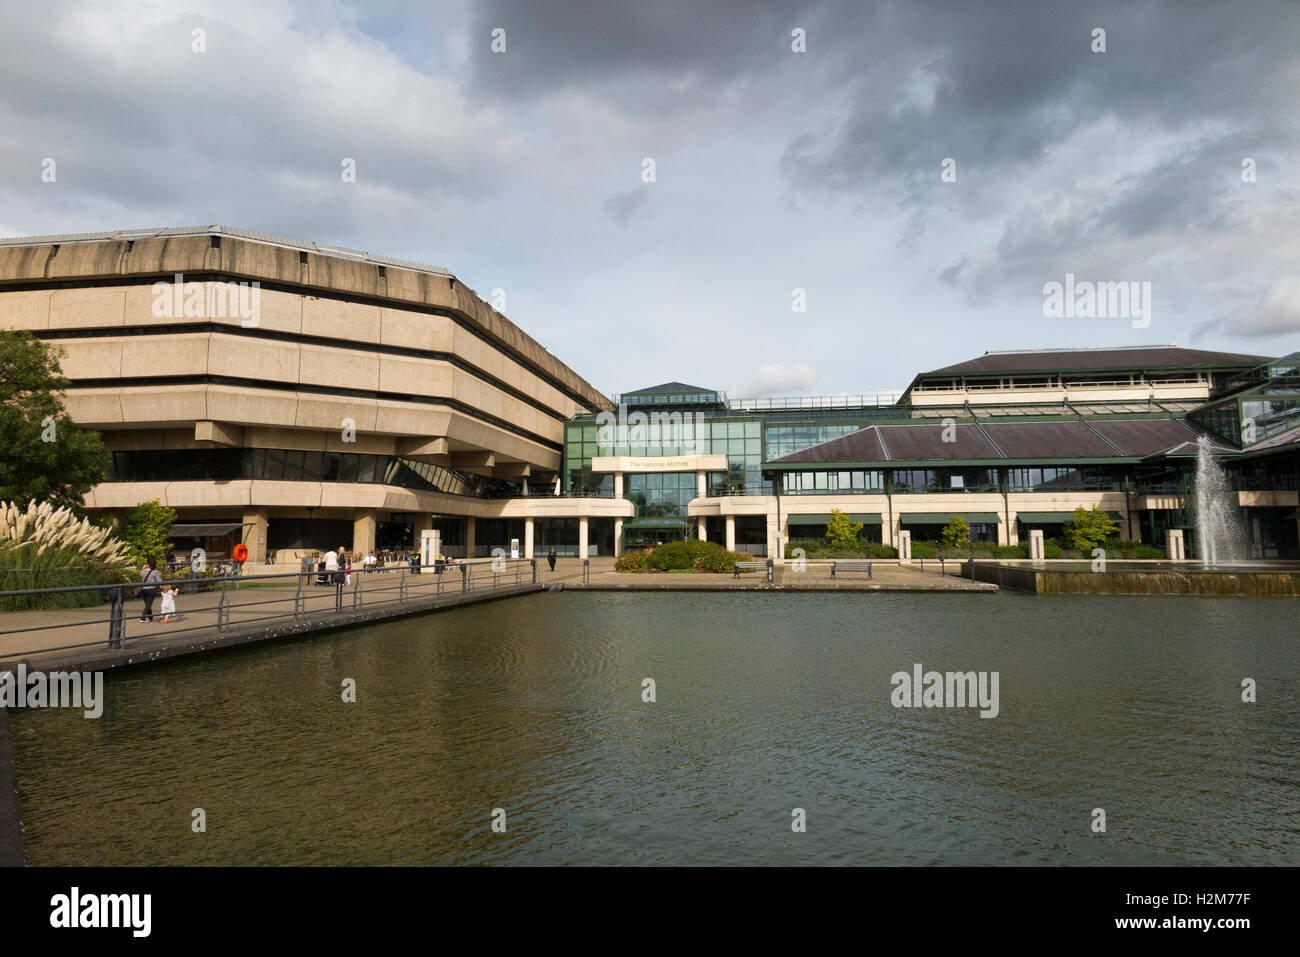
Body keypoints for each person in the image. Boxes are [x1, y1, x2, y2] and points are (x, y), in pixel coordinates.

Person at [138, 558, 162, 622]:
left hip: (143, 589)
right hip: (151, 589)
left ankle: (150, 617)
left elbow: (140, 575)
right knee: (148, 604)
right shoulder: (156, 572)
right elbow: (159, 581)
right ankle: (142, 618)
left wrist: (143, 568)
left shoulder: (142, 572)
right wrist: (162, 588)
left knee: (147, 604)